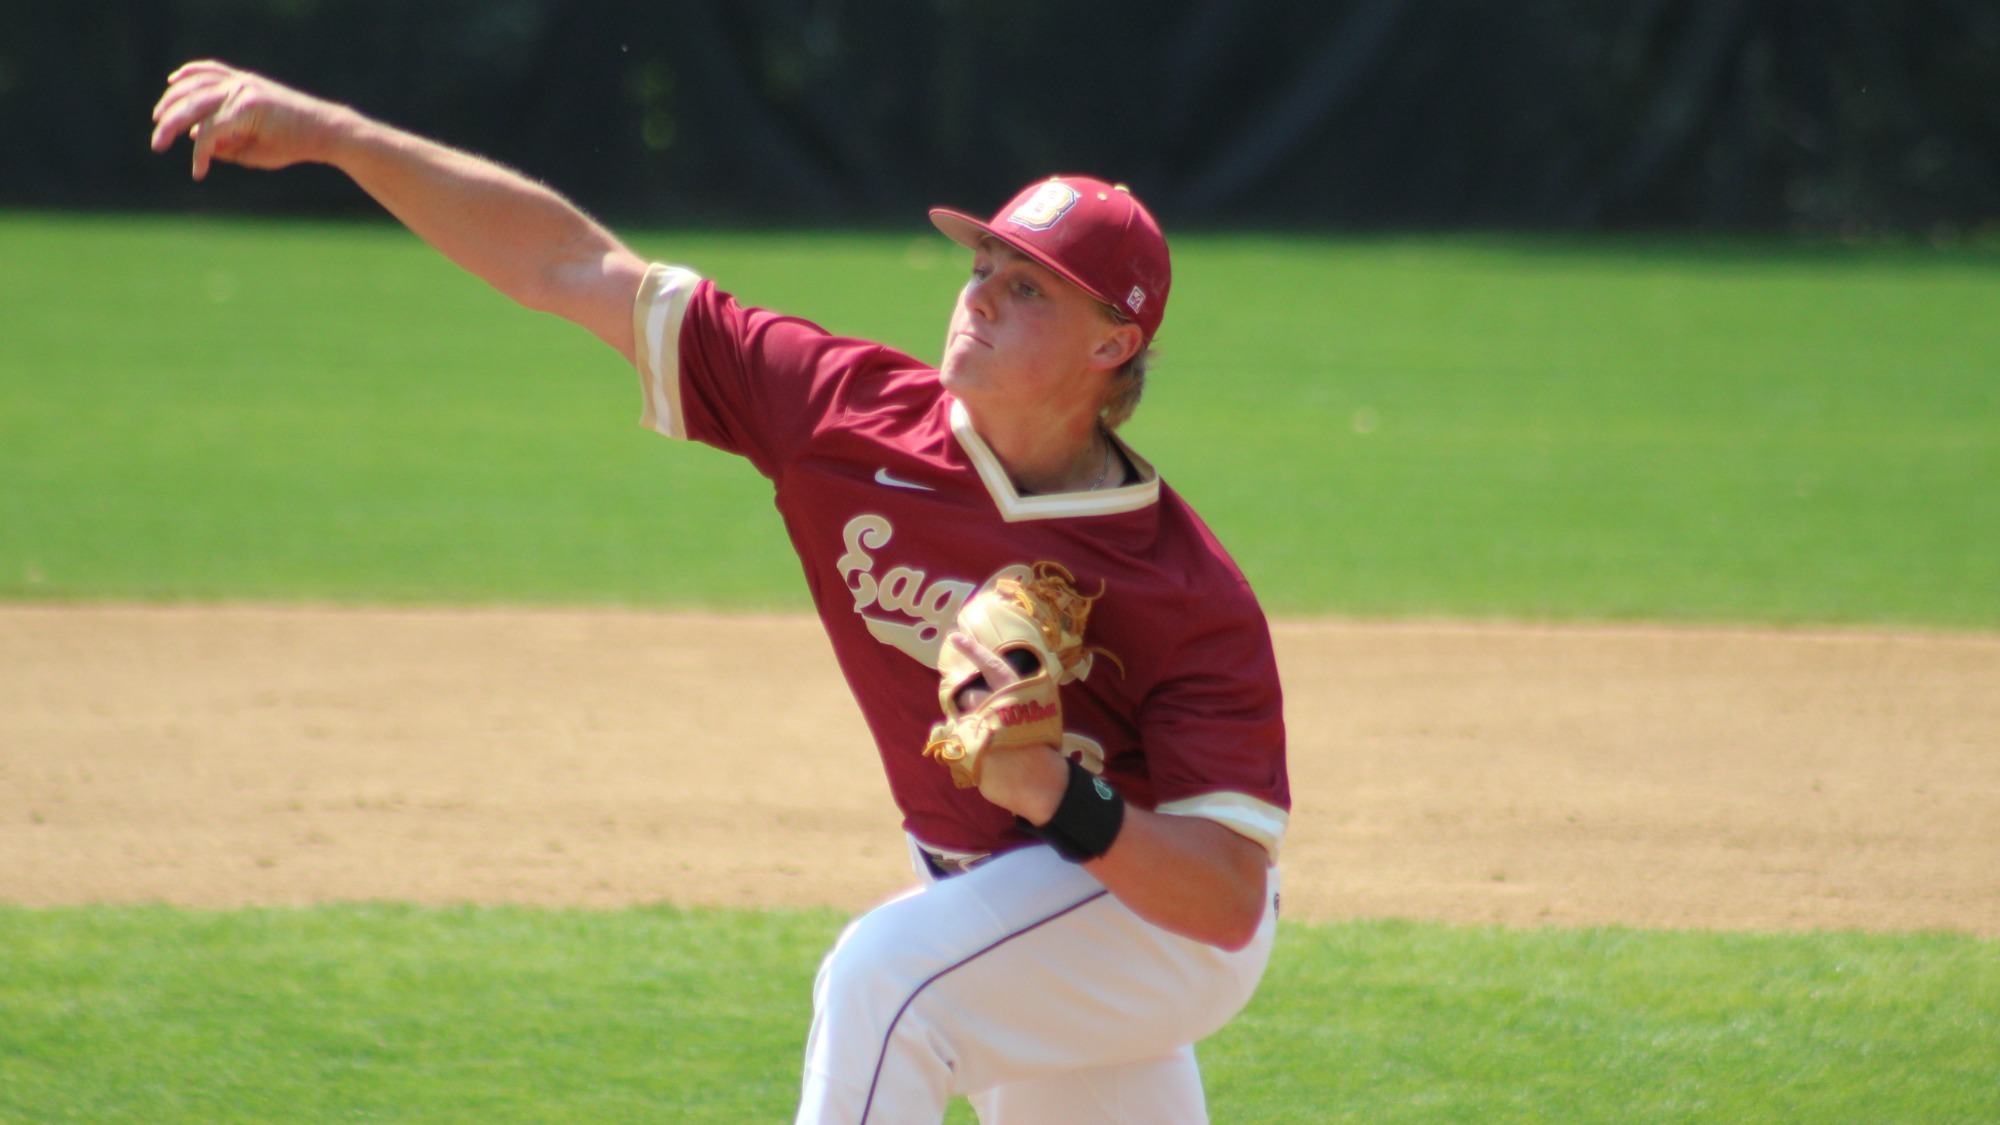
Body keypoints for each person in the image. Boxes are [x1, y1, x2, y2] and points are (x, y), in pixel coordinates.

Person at [151, 60, 1291, 1124]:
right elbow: (569, 265)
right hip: (996, 901)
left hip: (1150, 924)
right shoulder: (839, 413)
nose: (979, 298)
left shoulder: (1179, 588)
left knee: (884, 984)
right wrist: (337, 136)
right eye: (981, 268)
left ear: (1112, 344)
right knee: (924, 974)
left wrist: (1056, 794)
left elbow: (1228, 902)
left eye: (1029, 288)